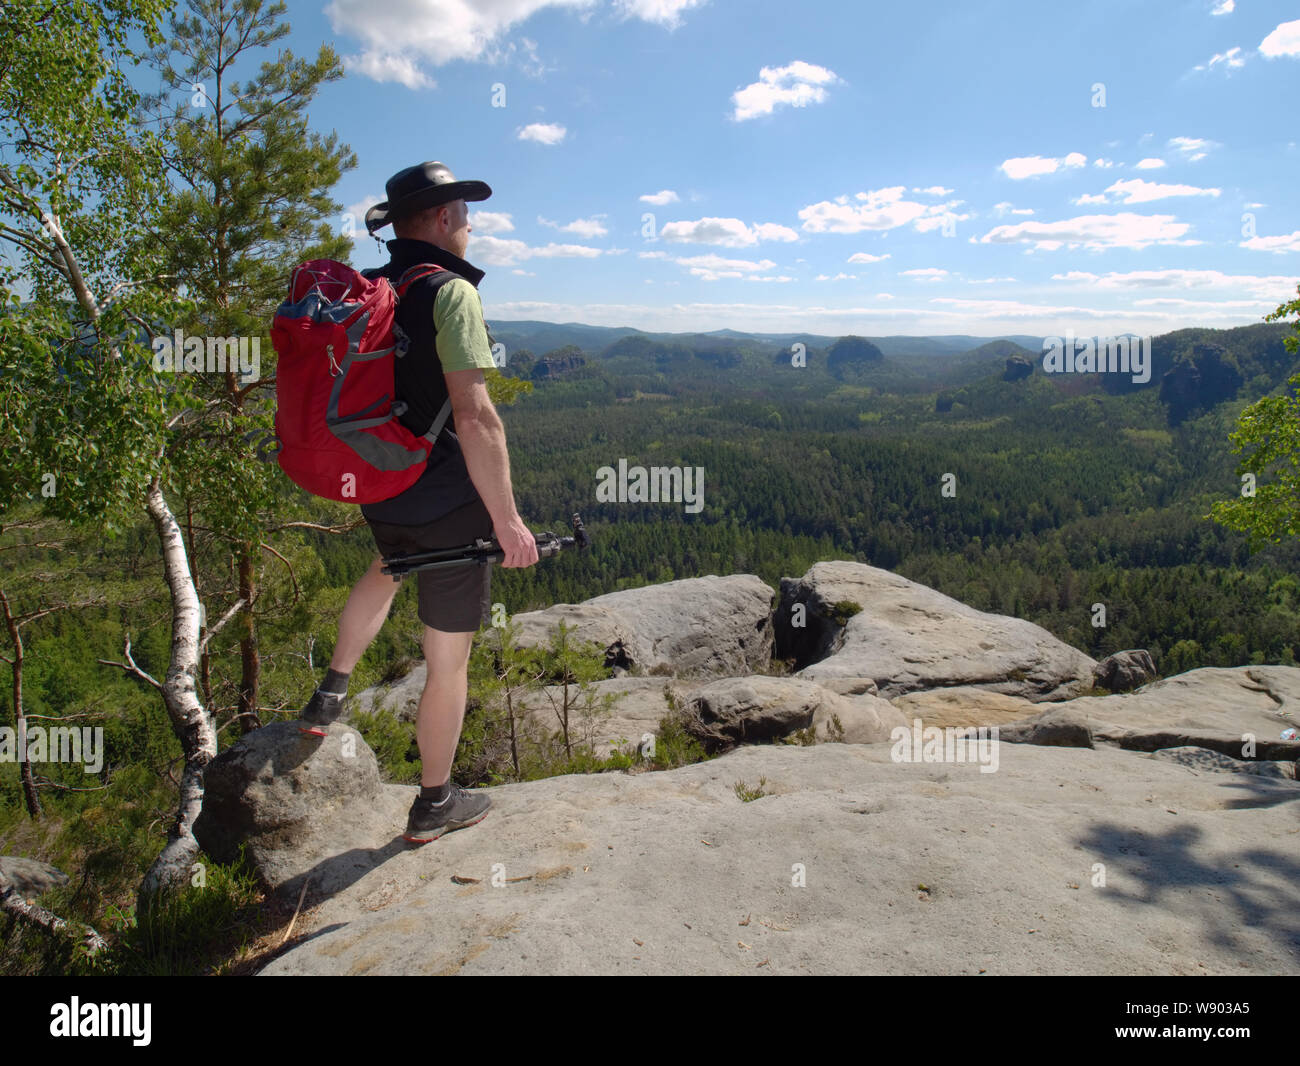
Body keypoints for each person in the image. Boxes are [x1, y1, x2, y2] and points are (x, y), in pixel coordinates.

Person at [296, 161, 539, 844]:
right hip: (445, 497)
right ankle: (434, 803)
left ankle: (332, 691)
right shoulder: (449, 293)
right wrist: (507, 521)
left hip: (381, 486)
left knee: (389, 564)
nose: (470, 221)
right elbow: (476, 415)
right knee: (448, 658)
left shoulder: (376, 287)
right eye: (463, 210)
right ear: (438, 218)